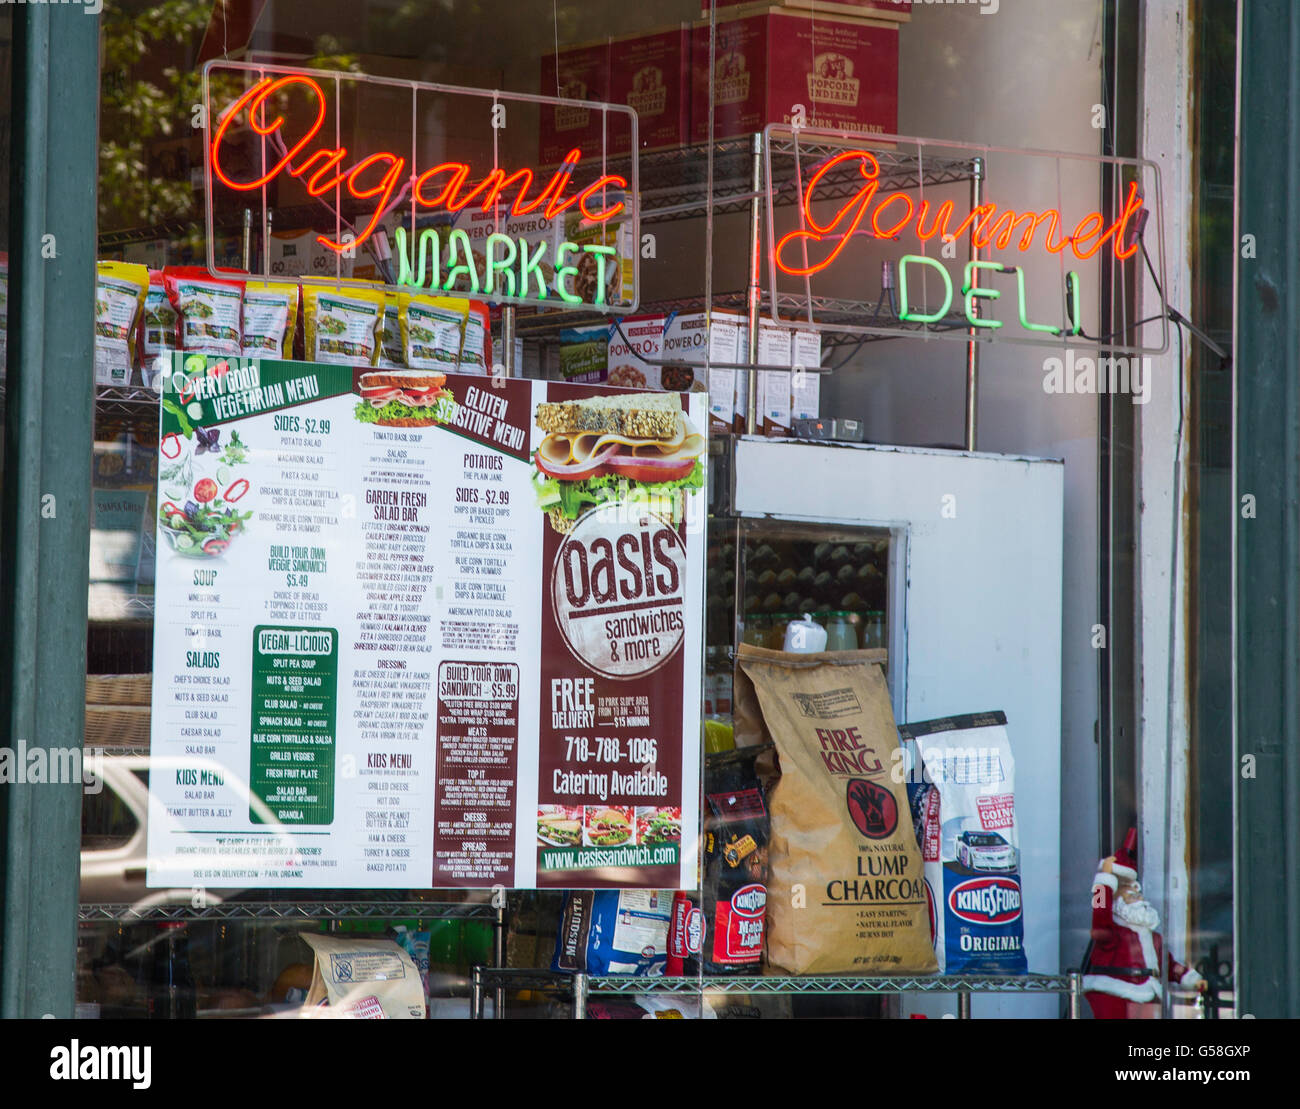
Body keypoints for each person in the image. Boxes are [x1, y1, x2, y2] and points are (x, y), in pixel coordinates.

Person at [1083, 836, 1204, 1018]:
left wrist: (1189, 978)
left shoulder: (1153, 939)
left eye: (1138, 895)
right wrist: (1103, 882)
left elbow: (1168, 965)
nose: (1139, 900)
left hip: (1149, 994)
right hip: (1116, 993)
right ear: (1117, 904)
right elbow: (1099, 912)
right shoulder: (1113, 933)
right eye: (1131, 897)